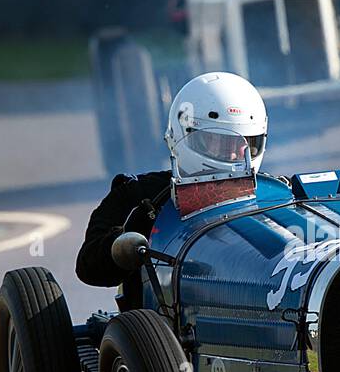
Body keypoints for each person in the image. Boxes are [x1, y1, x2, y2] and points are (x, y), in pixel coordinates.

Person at [76, 72, 268, 289]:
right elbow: (88, 269)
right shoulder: (140, 196)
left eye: (245, 145)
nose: (233, 155)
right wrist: (126, 237)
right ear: (183, 134)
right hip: (163, 318)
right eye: (219, 142)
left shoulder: (274, 196)